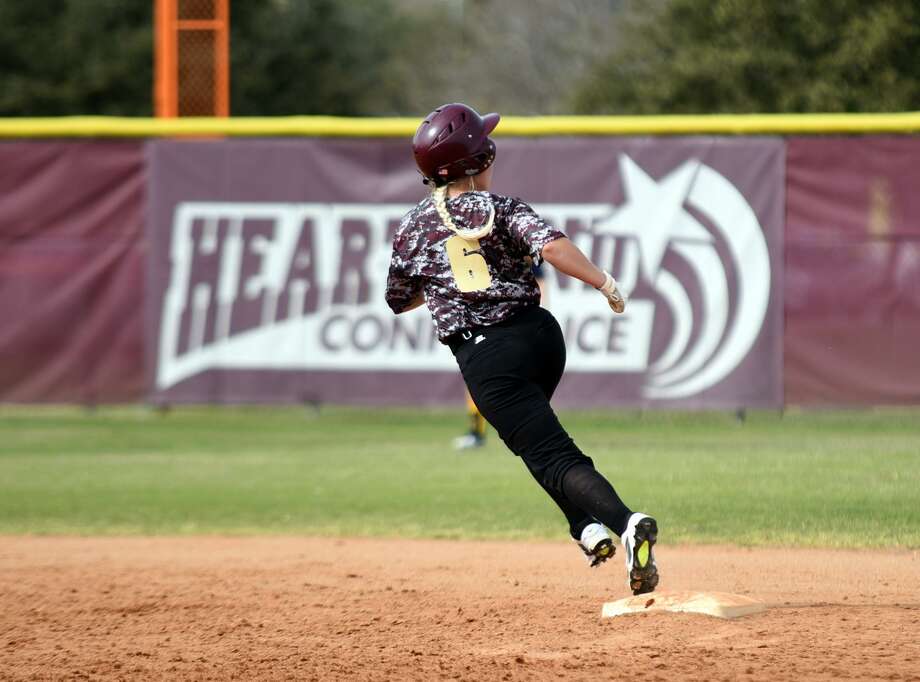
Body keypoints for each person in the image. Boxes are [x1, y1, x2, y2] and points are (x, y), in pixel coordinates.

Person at [385, 103, 659, 595]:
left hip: (488, 358)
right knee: (534, 441)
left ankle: (625, 522)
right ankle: (584, 526)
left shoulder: (411, 228)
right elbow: (551, 247)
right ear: (479, 157)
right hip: (540, 336)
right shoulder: (504, 208)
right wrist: (604, 282)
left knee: (551, 453)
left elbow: (399, 299)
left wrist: (447, 282)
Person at [453, 263, 545, 451]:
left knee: (507, 381)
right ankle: (477, 432)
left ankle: (523, 431)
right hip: (485, 324)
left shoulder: (511, 242)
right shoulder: (475, 248)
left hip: (513, 324)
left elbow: (540, 280)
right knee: (477, 380)